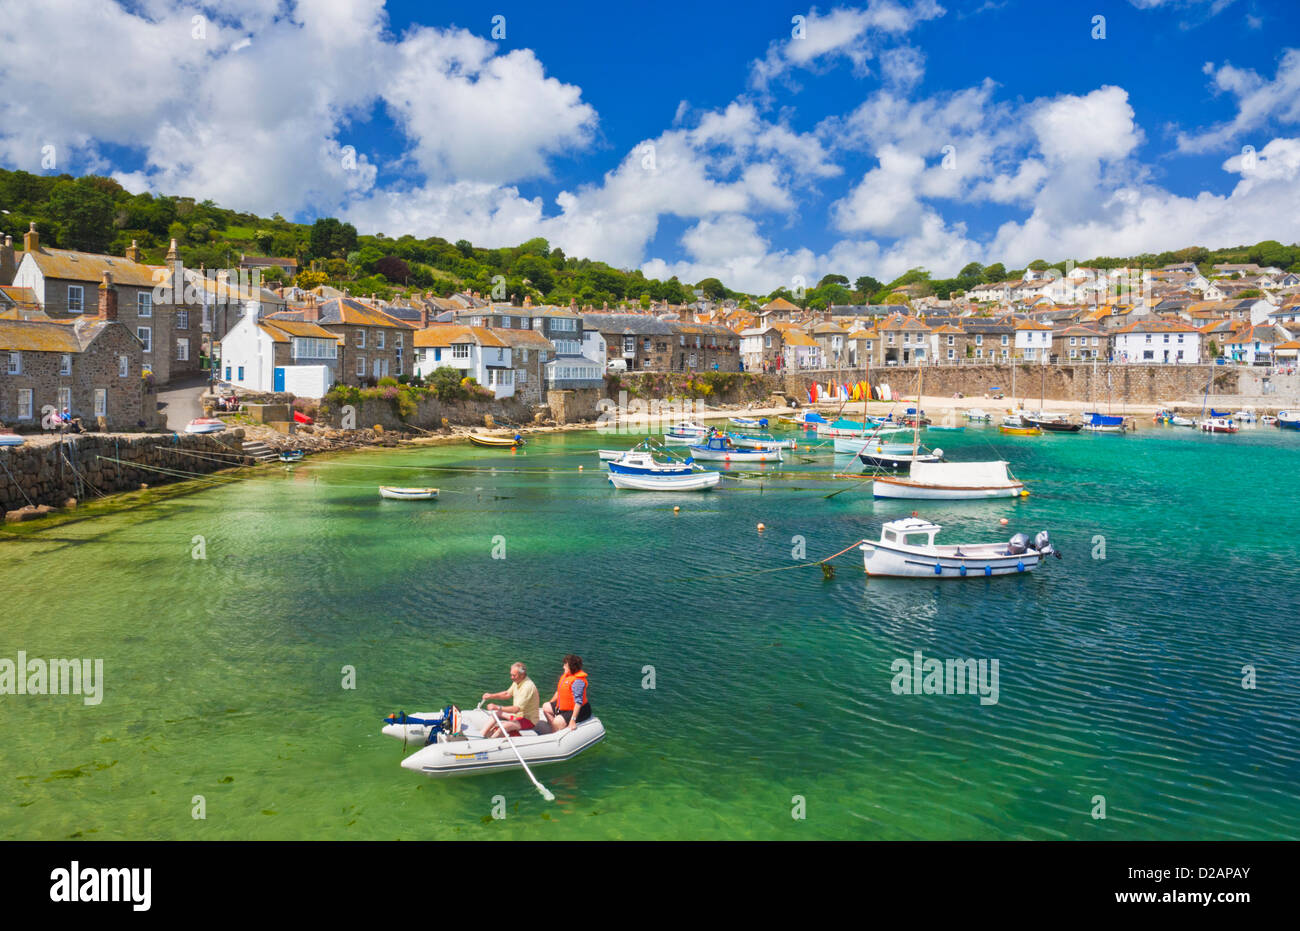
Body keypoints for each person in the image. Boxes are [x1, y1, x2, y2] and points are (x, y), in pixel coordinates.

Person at [480, 662, 539, 739]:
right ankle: (481, 735)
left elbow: (516, 709)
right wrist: (491, 696)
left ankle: (490, 742)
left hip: (528, 720)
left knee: (505, 725)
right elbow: (507, 694)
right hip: (517, 716)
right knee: (496, 713)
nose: (511, 677)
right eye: (511, 674)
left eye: (514, 675)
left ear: (522, 675)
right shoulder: (517, 681)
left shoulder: (527, 687)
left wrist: (497, 707)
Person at [542, 654, 591, 734]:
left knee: (557, 721)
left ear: (571, 667)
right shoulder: (566, 676)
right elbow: (559, 692)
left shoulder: (577, 682)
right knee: (545, 706)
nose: (563, 667)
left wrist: (572, 720)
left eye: (565, 665)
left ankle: (556, 732)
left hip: (578, 710)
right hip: (563, 707)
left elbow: (578, 702)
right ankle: (555, 729)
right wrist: (551, 703)